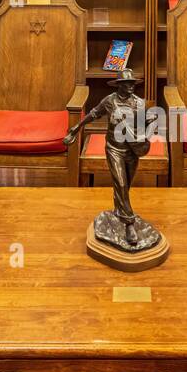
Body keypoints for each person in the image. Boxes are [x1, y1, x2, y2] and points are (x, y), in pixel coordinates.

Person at [63, 69, 153, 248]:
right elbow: (93, 114)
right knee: (120, 183)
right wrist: (76, 128)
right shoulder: (109, 101)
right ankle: (129, 224)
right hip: (114, 149)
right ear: (119, 85)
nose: (131, 87)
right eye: (127, 84)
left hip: (132, 151)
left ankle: (118, 212)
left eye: (133, 84)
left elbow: (143, 129)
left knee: (125, 186)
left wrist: (149, 124)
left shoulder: (140, 103)